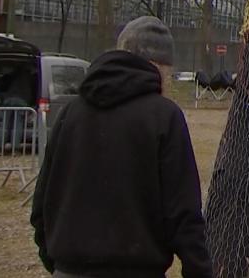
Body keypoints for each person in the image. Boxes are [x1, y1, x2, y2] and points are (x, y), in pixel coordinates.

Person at [30, 16, 212, 278]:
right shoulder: (164, 116)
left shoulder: (70, 113)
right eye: (168, 74)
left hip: (69, 269)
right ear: (157, 67)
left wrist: (60, 262)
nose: (168, 83)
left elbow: (41, 206)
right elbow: (183, 215)